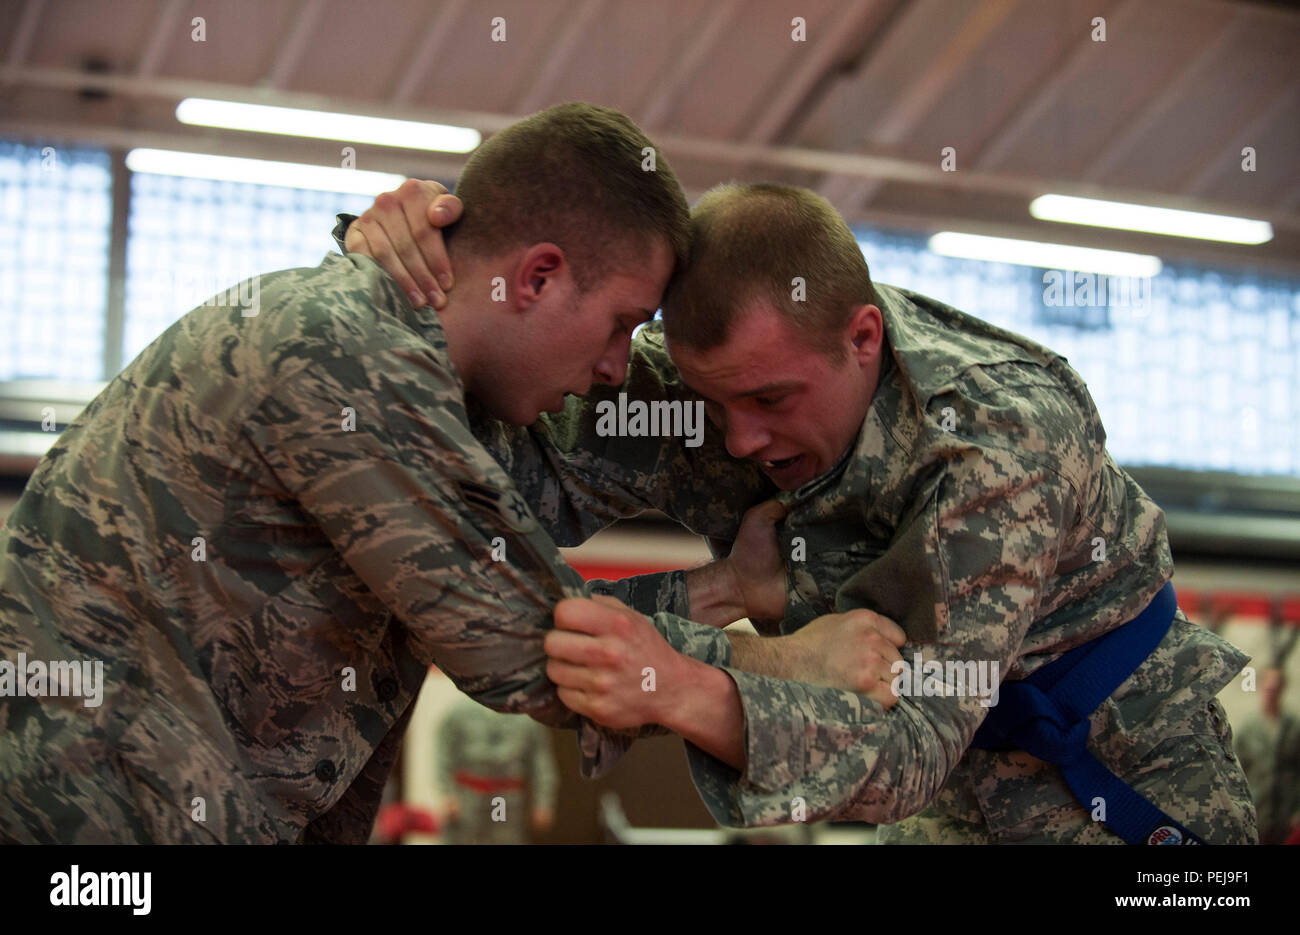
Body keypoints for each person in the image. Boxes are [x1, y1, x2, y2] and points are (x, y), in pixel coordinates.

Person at [0, 104, 905, 844]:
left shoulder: (459, 405)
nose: (618, 368)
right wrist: (788, 659)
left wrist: (730, 582)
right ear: (539, 276)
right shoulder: (346, 355)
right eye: (623, 323)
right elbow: (525, 648)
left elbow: (536, 578)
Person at [349, 180, 1257, 844]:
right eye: (718, 405)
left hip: (1127, 780)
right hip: (958, 797)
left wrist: (690, 685)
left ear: (863, 338)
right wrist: (414, 266)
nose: (742, 441)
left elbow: (910, 747)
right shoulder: (724, 385)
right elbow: (493, 442)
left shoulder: (995, 438)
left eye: (772, 402)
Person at [436, 693, 558, 844]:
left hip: (504, 800)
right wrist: (448, 794)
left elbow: (541, 763)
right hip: (468, 797)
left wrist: (543, 803)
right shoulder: (459, 713)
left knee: (503, 839)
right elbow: (444, 755)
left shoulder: (527, 719)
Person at [1235, 666, 1300, 844]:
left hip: (1287, 815)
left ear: (1282, 689)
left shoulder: (1294, 727)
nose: (1272, 693)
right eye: (1269, 688)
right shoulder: (1249, 729)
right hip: (1256, 812)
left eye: (1276, 688)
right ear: (1261, 688)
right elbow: (1235, 772)